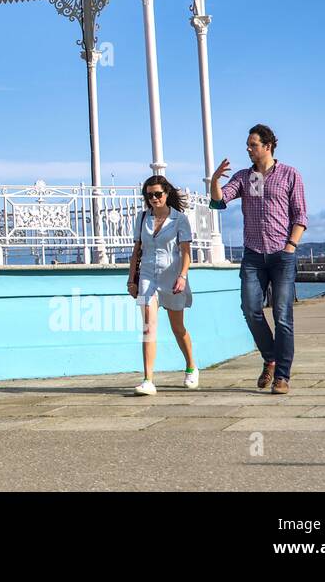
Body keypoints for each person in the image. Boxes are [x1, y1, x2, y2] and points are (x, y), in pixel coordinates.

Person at [211, 124, 308, 395]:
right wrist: (215, 181)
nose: (248, 149)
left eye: (253, 144)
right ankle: (270, 357)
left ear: (268, 146)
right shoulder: (246, 177)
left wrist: (291, 245)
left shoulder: (289, 174)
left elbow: (300, 215)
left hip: (282, 254)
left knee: (282, 316)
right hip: (253, 254)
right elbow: (219, 203)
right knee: (250, 309)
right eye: (248, 144)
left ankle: (282, 376)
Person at [126, 175, 196, 396]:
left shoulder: (179, 219)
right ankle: (148, 379)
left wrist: (182, 276)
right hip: (147, 275)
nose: (154, 198)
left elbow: (186, 252)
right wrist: (131, 279)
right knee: (148, 327)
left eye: (158, 194)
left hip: (172, 276)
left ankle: (191, 366)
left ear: (166, 194)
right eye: (150, 195)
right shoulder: (142, 218)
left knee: (178, 328)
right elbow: (136, 251)